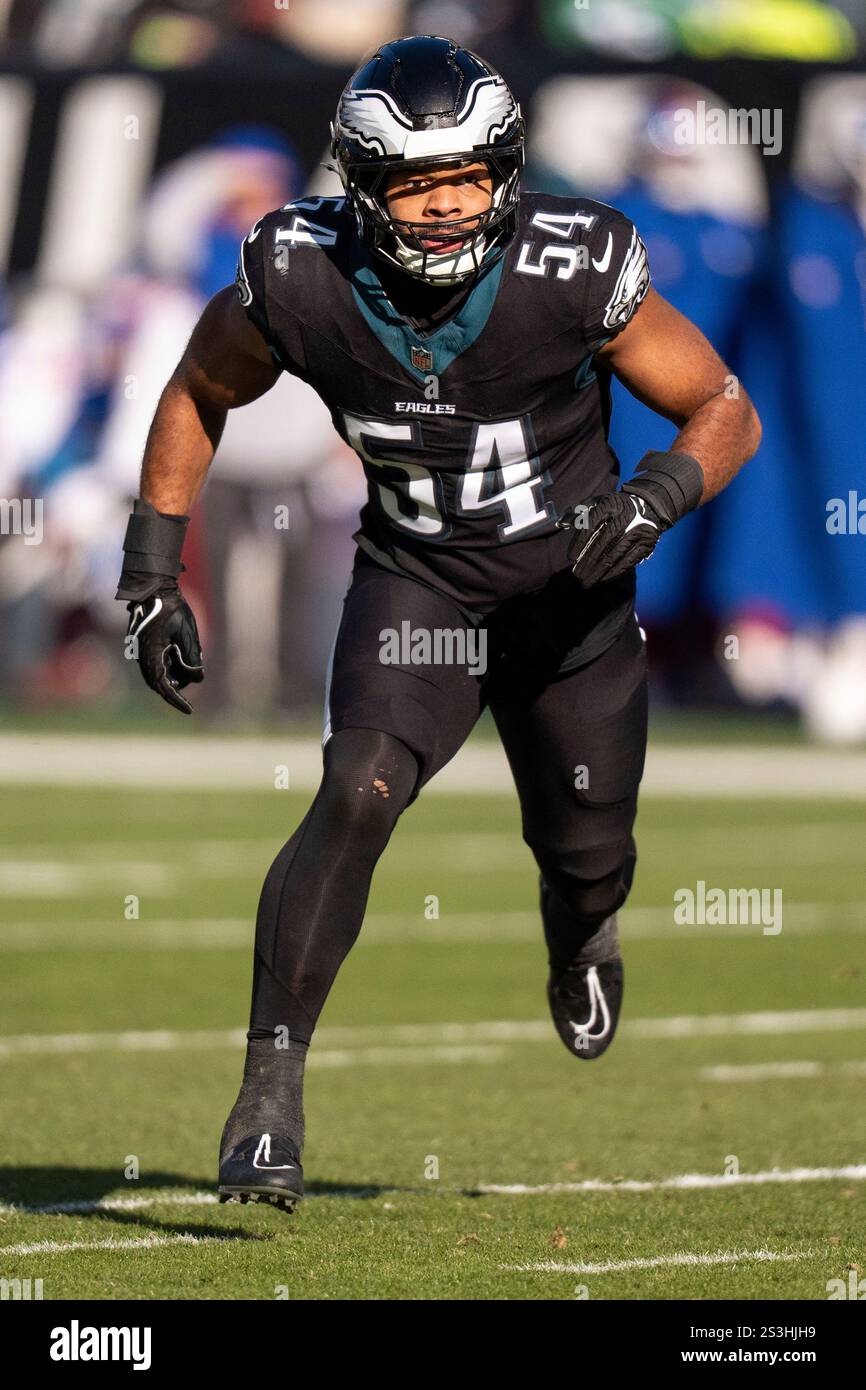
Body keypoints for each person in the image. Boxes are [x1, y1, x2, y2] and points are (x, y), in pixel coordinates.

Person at [115, 35, 761, 1212]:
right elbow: (198, 389)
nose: (449, 203)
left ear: (507, 167)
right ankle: (268, 1092)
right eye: (417, 182)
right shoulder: (298, 272)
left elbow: (721, 404)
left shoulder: (574, 262)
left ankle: (578, 933)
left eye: (468, 173)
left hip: (571, 595)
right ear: (362, 188)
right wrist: (151, 568)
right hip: (419, 584)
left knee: (586, 854)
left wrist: (654, 497)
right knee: (356, 786)